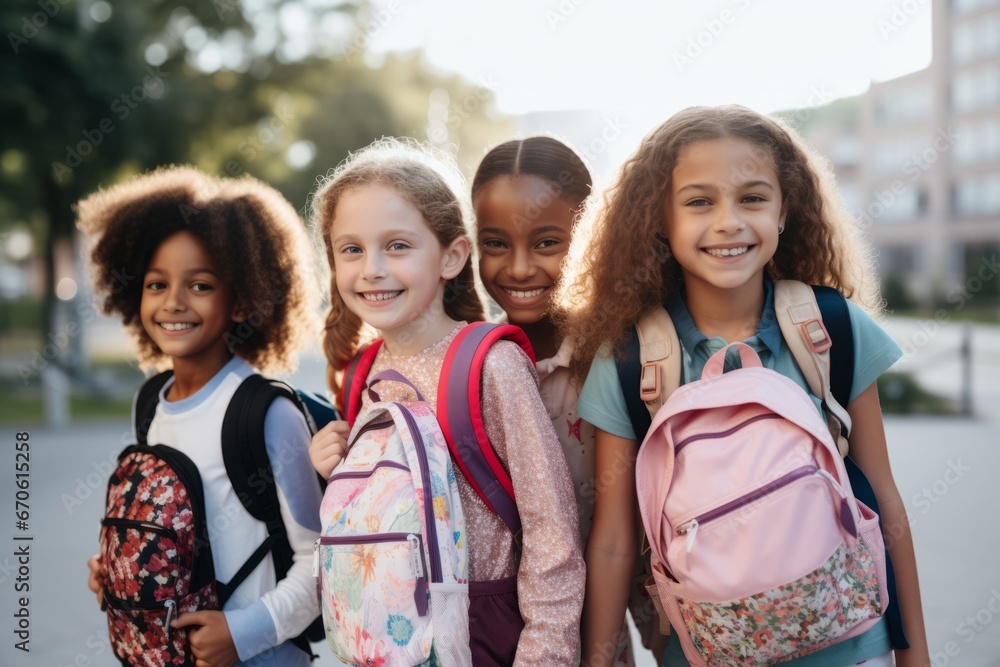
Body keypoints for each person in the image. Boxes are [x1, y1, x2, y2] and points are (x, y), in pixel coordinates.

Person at [560, 105, 930, 667]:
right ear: (659, 219)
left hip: (848, 646)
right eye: (699, 201)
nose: (729, 221)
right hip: (704, 651)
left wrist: (916, 657)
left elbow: (883, 497)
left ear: (786, 211)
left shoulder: (832, 330)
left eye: (752, 198)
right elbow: (614, 539)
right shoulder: (631, 359)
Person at [307, 138, 586, 666]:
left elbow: (552, 534)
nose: (371, 269)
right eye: (352, 249)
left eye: (397, 246)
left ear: (453, 256)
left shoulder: (490, 366)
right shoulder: (362, 374)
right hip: (387, 645)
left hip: (482, 638)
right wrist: (335, 468)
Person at [79, 165, 323, 667]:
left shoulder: (264, 413)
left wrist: (242, 632)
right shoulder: (150, 402)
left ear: (241, 301)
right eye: (155, 284)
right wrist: (121, 570)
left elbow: (323, 560)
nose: (173, 302)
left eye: (200, 286)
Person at [472, 136, 638, 666]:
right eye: (495, 243)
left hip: (596, 643)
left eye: (547, 243)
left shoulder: (618, 362)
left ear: (588, 239)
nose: (519, 269)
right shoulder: (466, 367)